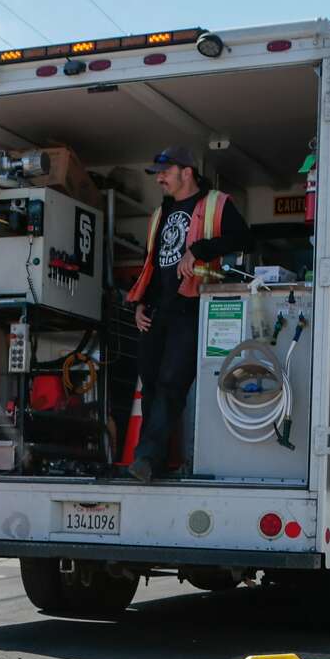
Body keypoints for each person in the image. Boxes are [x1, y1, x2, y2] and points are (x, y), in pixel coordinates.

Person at [125, 146, 251, 481]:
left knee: (170, 383)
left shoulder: (216, 204)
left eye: (165, 172)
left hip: (190, 306)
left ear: (187, 172)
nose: (159, 179)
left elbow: (244, 237)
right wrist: (140, 303)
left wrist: (197, 250)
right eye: (157, 173)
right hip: (156, 310)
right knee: (151, 385)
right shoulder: (159, 213)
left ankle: (145, 459)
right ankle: (154, 462)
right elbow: (152, 262)